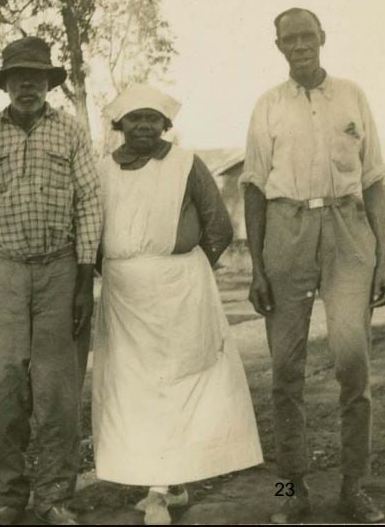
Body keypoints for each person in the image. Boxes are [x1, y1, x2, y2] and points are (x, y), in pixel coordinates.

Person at [242, 8, 385, 524]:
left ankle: (354, 488)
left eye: (308, 36)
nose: (300, 45)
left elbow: (374, 179)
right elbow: (254, 187)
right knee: (286, 371)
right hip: (287, 233)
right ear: (279, 45)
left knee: (353, 363)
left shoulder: (352, 96)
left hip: (349, 231)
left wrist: (382, 260)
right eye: (290, 39)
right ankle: (292, 494)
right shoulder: (267, 107)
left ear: (323, 38)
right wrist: (259, 267)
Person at [91, 84, 264, 525]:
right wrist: (117, 270)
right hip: (124, 292)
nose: (144, 125)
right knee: (135, 386)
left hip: (181, 286)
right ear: (120, 124)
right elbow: (90, 230)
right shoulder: (102, 170)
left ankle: (161, 490)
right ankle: (162, 480)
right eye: (134, 118)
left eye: (152, 118)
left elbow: (218, 226)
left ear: (165, 124)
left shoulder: (187, 164)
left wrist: (184, 270)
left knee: (182, 380)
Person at [0, 36, 102, 526]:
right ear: (4, 83)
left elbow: (90, 205)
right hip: (5, 271)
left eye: (36, 78)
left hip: (61, 270)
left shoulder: (71, 131)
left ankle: (56, 494)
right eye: (17, 77)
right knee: (3, 386)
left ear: (48, 83)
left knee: (58, 390)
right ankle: (7, 492)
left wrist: (84, 281)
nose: (27, 86)